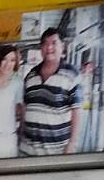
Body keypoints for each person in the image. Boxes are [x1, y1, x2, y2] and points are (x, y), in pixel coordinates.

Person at [18, 27, 81, 157]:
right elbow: (24, 107)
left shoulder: (71, 74)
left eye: (53, 43)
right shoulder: (31, 75)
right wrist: (20, 133)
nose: (49, 47)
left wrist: (72, 143)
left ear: (62, 45)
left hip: (56, 151)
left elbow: (77, 111)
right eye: (45, 44)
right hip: (28, 149)